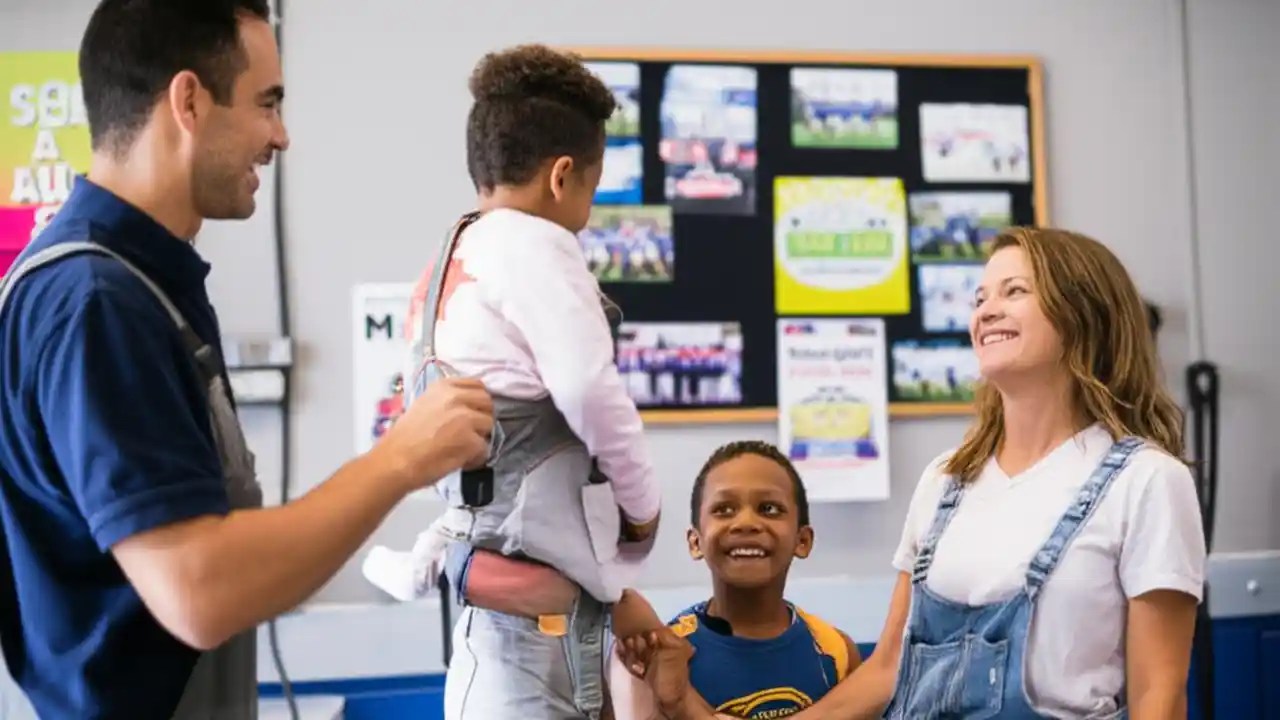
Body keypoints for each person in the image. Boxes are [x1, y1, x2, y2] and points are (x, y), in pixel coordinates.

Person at [0, 2, 493, 718]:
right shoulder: (96, 303)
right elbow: (198, 590)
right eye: (268, 104)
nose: (281, 136)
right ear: (189, 101)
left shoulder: (142, 284)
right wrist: (401, 460)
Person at [766, 227, 1203, 719]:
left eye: (1014, 291)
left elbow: (1157, 698)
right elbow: (887, 670)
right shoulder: (945, 480)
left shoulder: (1147, 481)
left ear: (1084, 315)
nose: (986, 311)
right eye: (980, 298)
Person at [365, 44, 661, 720]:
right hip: (530, 648)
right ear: (563, 176)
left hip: (506, 627)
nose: (587, 210)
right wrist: (642, 517)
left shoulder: (452, 257)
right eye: (593, 186)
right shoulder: (535, 245)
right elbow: (591, 392)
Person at [608, 441, 862, 720]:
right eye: (724, 509)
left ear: (802, 540)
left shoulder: (835, 651)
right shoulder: (666, 655)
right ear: (696, 541)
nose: (746, 523)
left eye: (769, 508)